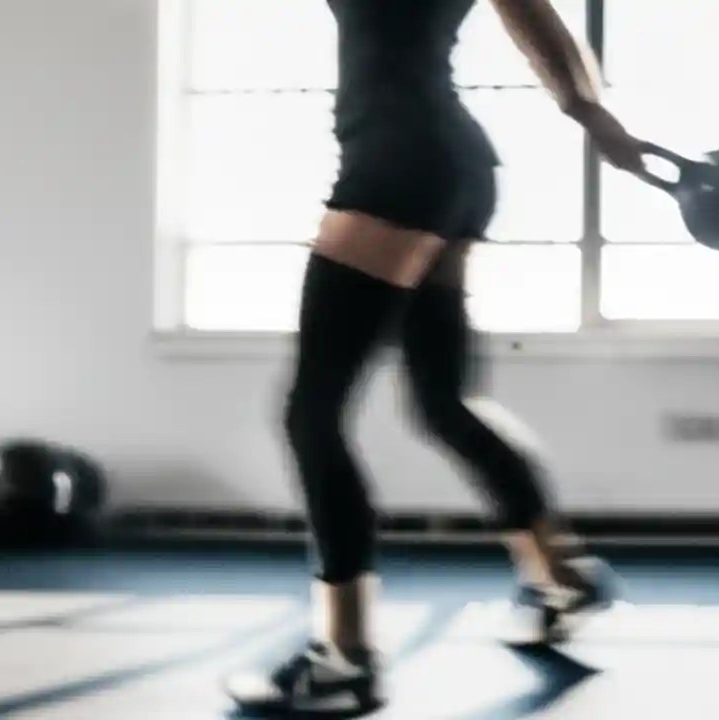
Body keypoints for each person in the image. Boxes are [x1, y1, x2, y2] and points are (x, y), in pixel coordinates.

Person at [225, 0, 646, 715]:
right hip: (455, 167)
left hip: (395, 166)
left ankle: (344, 659)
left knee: (312, 412)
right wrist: (589, 112)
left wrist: (593, 114)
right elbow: (533, 14)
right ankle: (560, 572)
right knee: (443, 402)